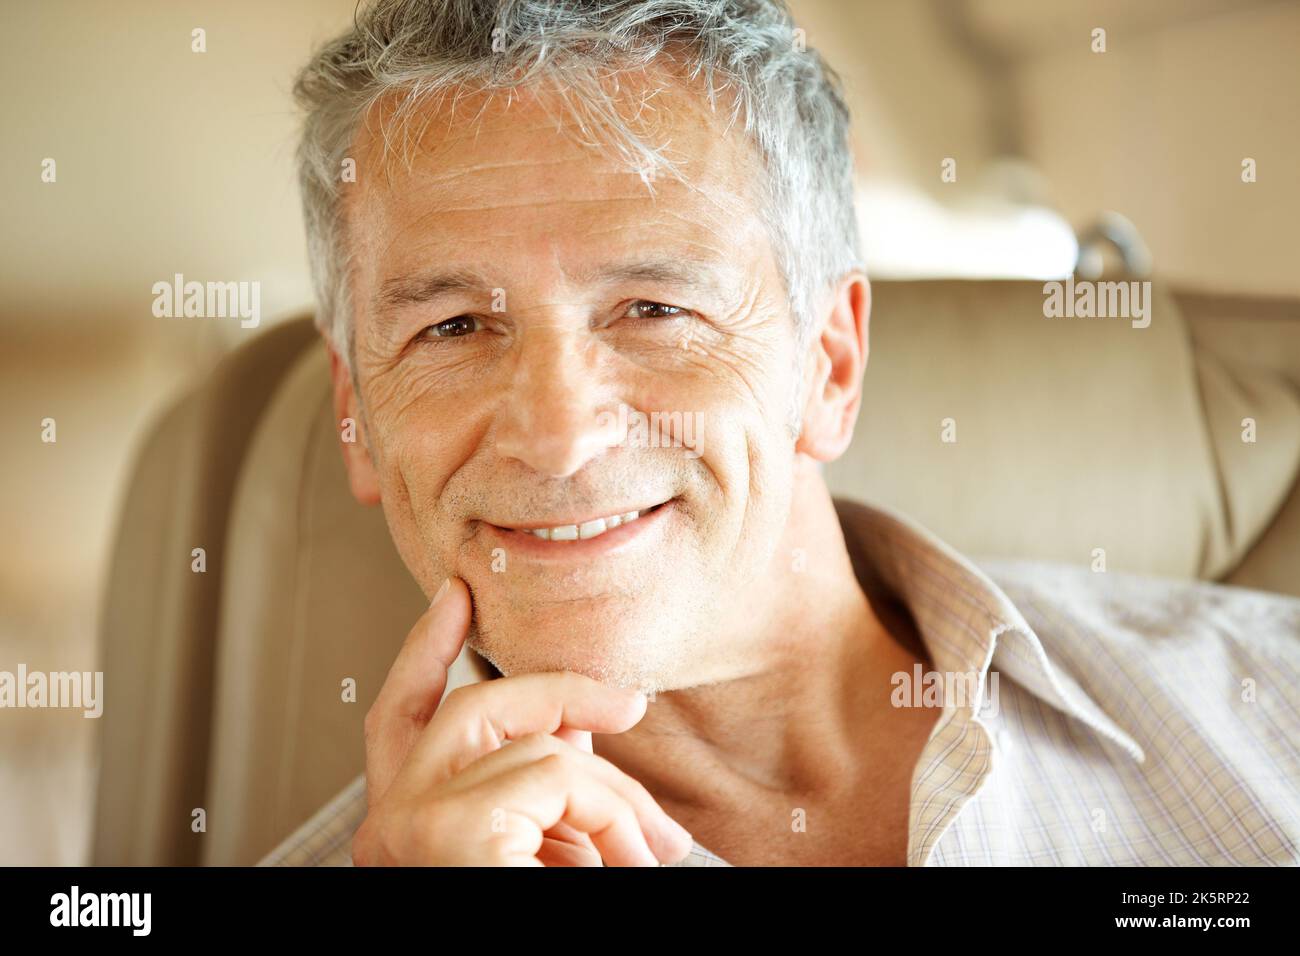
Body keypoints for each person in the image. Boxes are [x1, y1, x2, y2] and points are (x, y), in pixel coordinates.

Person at [257, 0, 1300, 867]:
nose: (559, 436)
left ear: (828, 364)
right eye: (452, 326)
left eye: (655, 309)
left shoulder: (1272, 696)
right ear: (356, 414)